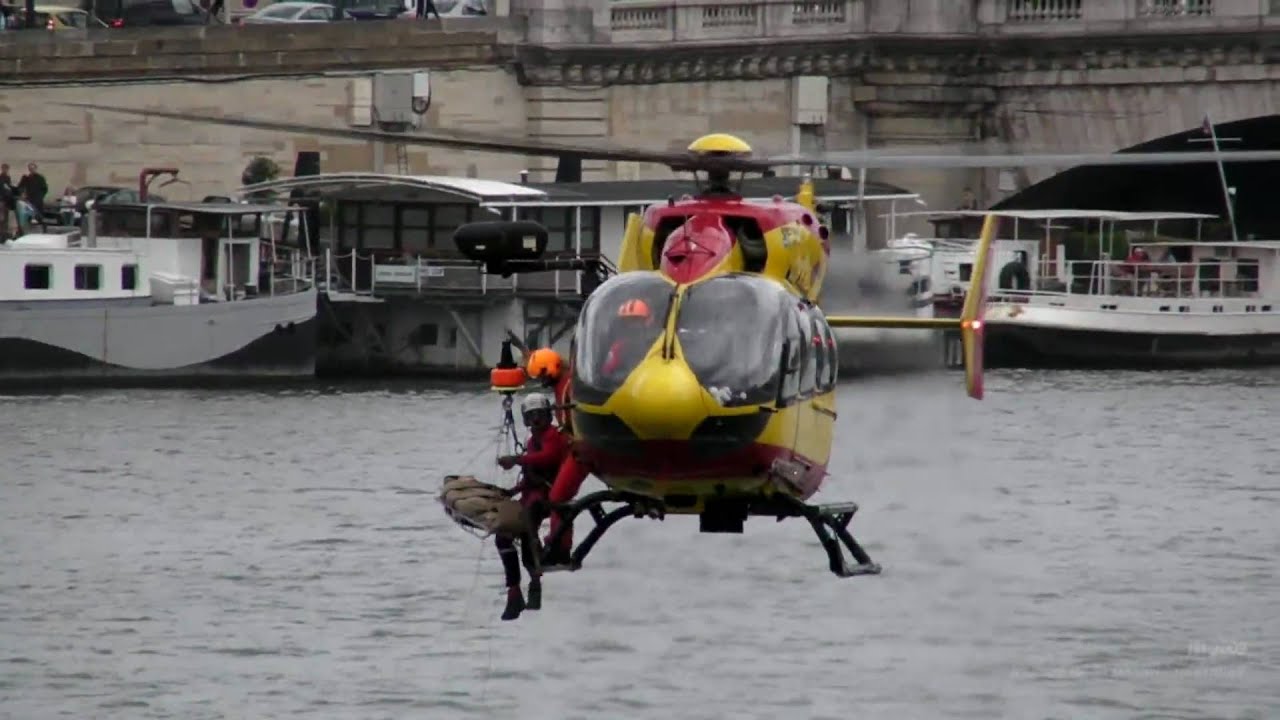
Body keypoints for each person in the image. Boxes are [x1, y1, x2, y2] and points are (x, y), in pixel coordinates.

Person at [493, 392, 569, 621]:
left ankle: (534, 580)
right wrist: (511, 492)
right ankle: (514, 590)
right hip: (531, 494)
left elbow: (548, 458)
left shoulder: (555, 436)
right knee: (503, 536)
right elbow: (530, 476)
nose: (536, 421)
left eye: (540, 416)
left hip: (549, 496)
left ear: (549, 416)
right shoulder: (531, 441)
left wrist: (516, 460)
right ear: (526, 420)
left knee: (527, 530)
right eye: (531, 416)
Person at [525, 347, 592, 568]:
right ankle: (556, 545)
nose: (542, 381)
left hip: (583, 451)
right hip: (576, 448)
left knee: (558, 498)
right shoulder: (562, 383)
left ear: (552, 367)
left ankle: (559, 548)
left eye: (543, 375)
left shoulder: (569, 385)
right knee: (556, 497)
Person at [600, 298, 655, 378]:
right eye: (628, 321)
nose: (633, 325)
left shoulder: (658, 344)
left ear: (648, 321)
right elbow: (606, 372)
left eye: (636, 320)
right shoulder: (618, 348)